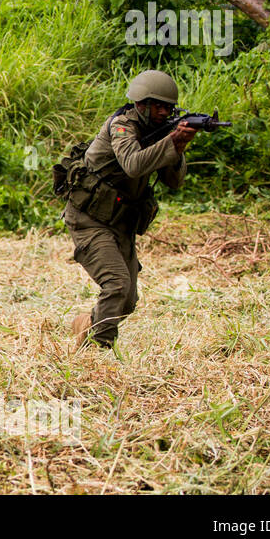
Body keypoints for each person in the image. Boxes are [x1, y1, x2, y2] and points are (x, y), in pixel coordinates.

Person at [65, 70, 196, 351]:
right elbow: (133, 164)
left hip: (121, 220)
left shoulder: (158, 131)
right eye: (157, 105)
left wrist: (179, 146)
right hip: (90, 219)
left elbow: (174, 182)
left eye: (168, 107)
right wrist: (171, 142)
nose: (163, 112)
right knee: (116, 285)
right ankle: (96, 353)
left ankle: (88, 323)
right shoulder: (121, 126)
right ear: (141, 104)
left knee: (127, 302)